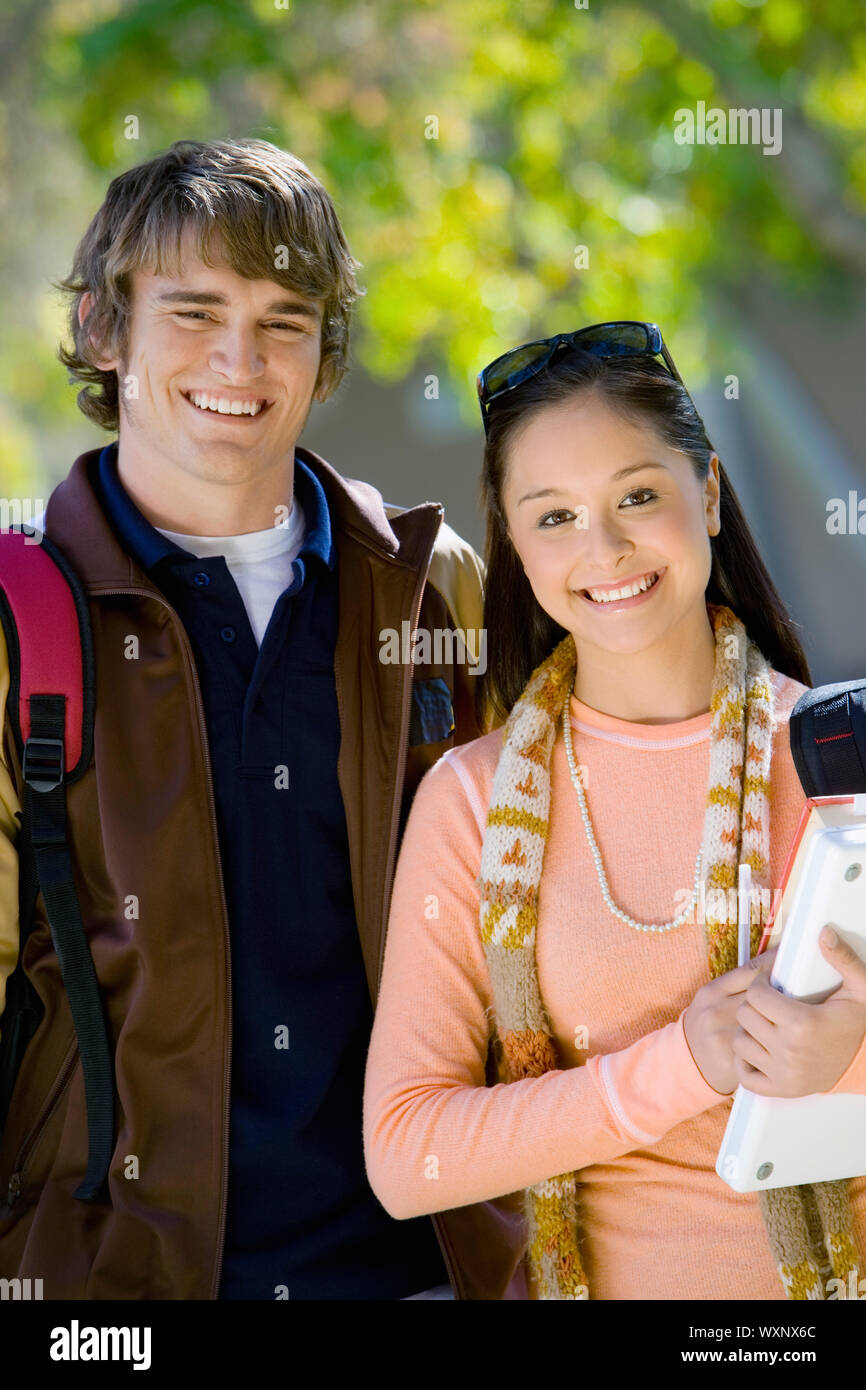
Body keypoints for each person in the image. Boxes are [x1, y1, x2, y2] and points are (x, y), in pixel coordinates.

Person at [0, 136, 499, 1300]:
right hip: (106, 1287)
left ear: (324, 353)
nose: (240, 355)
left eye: (285, 316)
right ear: (104, 327)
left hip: (422, 1271)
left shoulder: (437, 589)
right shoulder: (18, 620)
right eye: (193, 309)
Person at [363, 321, 866, 1300]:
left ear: (708, 492)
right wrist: (682, 1062)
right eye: (552, 517)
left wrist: (841, 1064)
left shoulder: (838, 761)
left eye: (638, 495)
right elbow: (404, 1154)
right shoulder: (469, 801)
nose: (603, 548)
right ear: (511, 539)